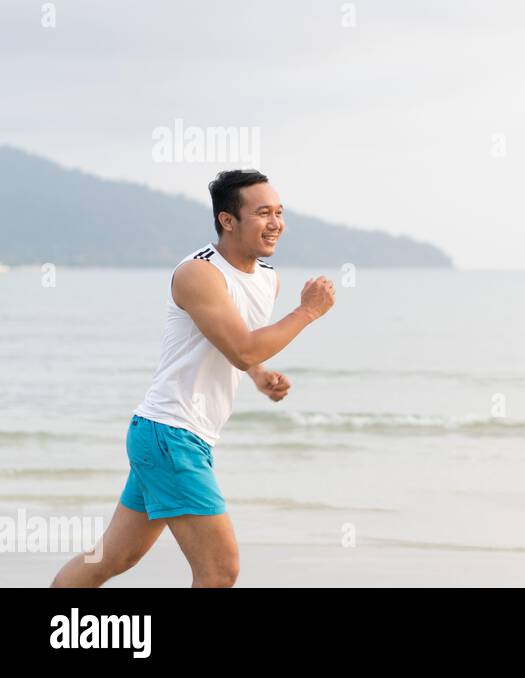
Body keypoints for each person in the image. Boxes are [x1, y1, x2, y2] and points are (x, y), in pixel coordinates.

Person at [51, 169, 335, 587]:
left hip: (175, 436)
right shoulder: (198, 273)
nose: (276, 223)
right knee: (220, 570)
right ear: (228, 220)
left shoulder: (267, 280)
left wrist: (257, 374)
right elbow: (242, 347)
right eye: (262, 213)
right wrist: (307, 312)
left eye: (279, 212)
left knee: (111, 558)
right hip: (171, 433)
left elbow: (236, 346)